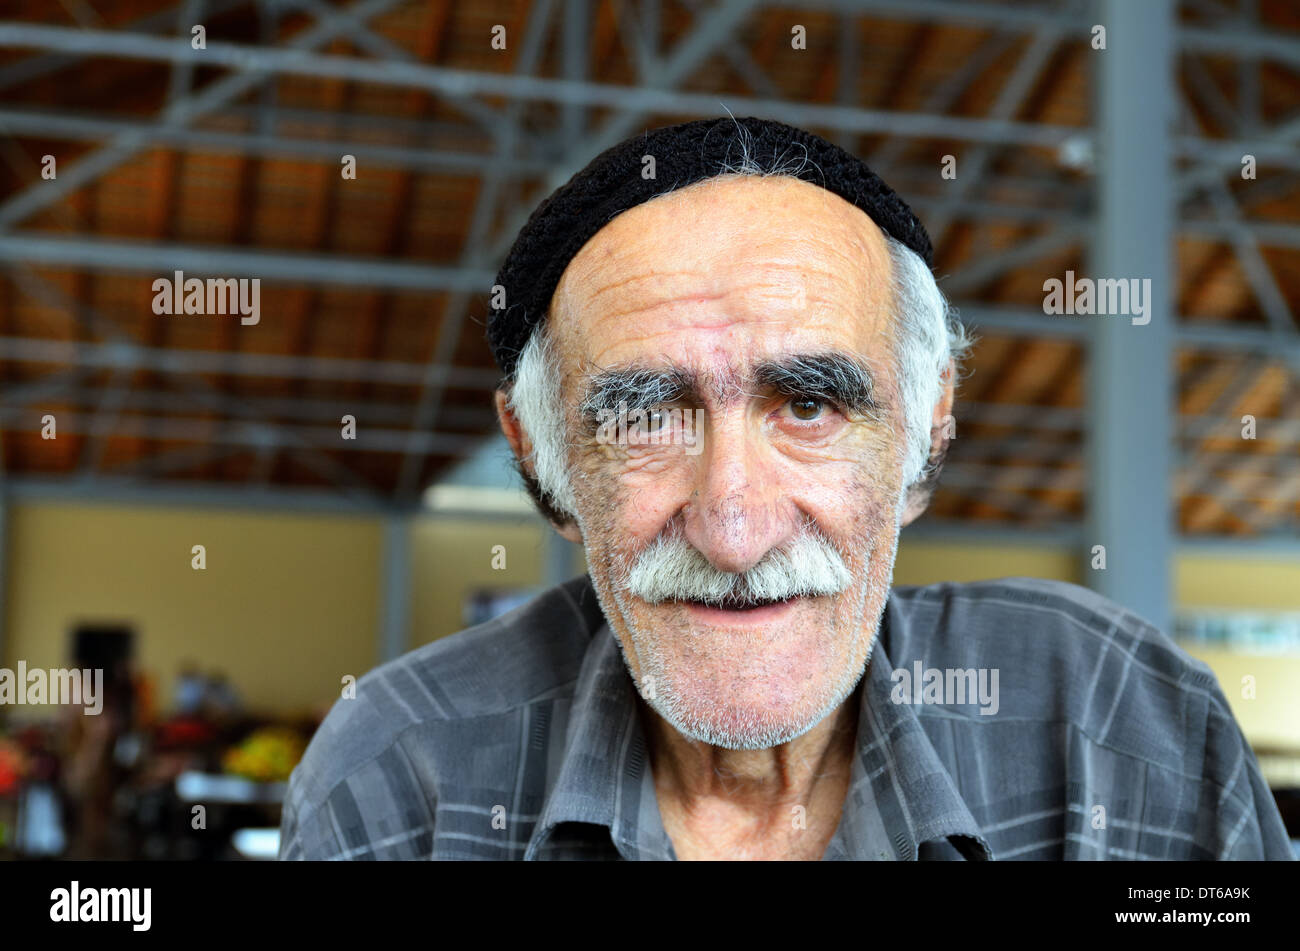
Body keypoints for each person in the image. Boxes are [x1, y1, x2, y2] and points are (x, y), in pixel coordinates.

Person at [280, 117, 1291, 861]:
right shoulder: (397, 775)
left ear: (926, 425)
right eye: (642, 418)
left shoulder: (1121, 724)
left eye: (808, 405)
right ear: (536, 452)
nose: (733, 529)